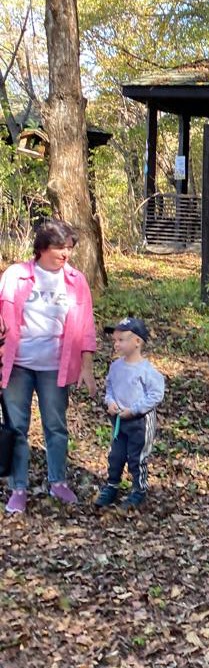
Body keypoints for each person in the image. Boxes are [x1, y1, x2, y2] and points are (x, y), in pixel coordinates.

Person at [1, 218, 97, 514]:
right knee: (17, 427)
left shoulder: (76, 280)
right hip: (17, 365)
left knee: (55, 426)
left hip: (55, 366)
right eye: (59, 247)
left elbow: (85, 325)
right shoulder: (16, 275)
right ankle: (18, 487)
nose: (65, 253)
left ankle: (58, 482)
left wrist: (87, 366)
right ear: (42, 247)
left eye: (69, 247)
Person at [95, 317, 165, 511]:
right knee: (116, 455)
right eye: (115, 340)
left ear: (137, 342)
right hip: (119, 420)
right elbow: (110, 388)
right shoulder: (116, 367)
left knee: (137, 457)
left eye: (121, 340)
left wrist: (134, 410)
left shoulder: (147, 370)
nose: (116, 344)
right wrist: (110, 402)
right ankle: (112, 486)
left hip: (140, 423)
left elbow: (156, 394)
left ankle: (139, 490)